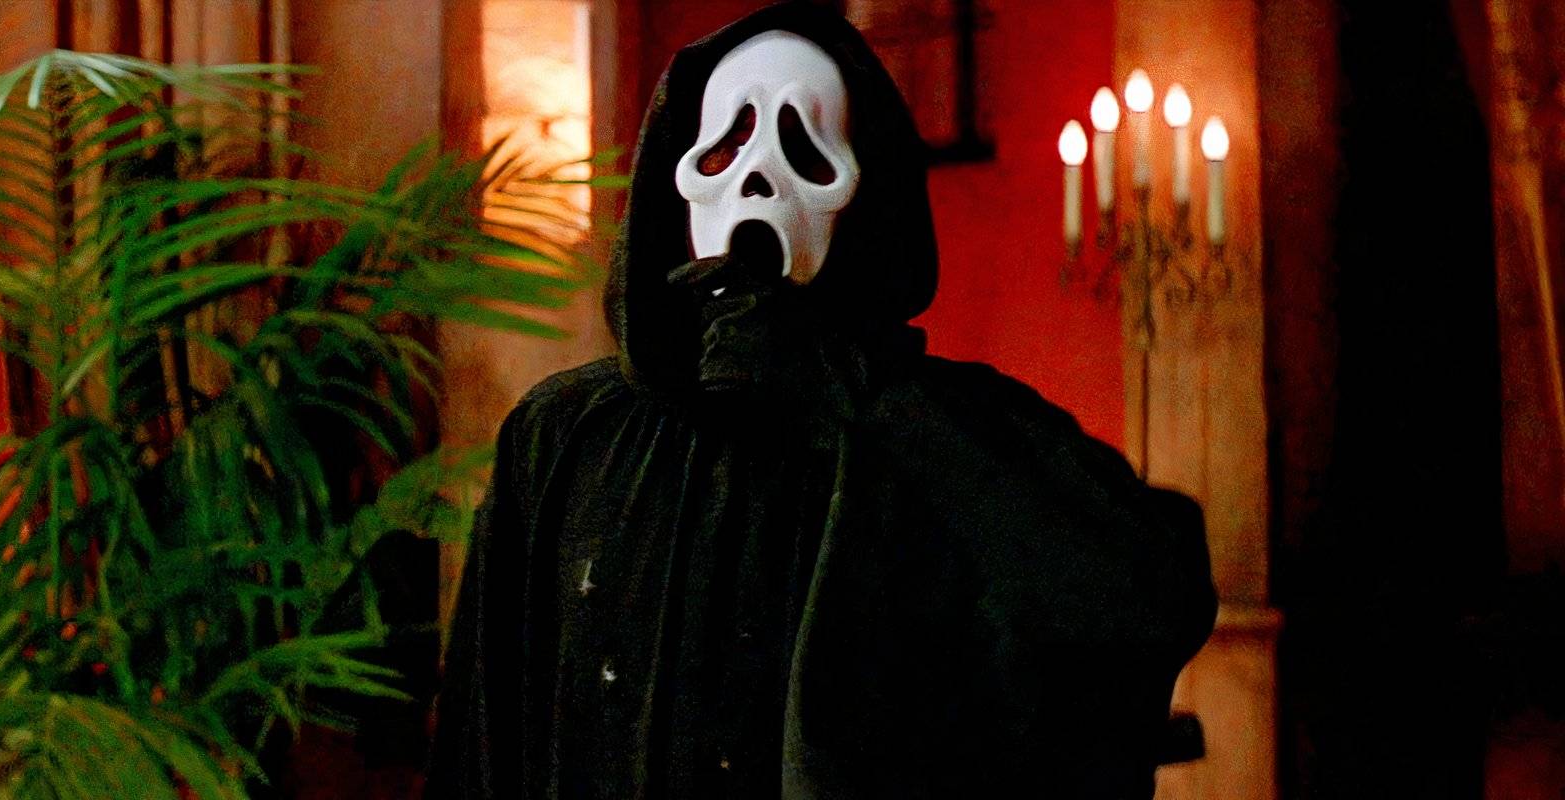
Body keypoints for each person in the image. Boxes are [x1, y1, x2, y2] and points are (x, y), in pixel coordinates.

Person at [426, 3, 1217, 797]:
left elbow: (1141, 587)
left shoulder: (936, 428)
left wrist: (867, 407)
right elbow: (484, 729)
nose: (756, 179)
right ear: (678, 170)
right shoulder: (566, 435)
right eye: (726, 144)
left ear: (864, 193)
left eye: (804, 150)